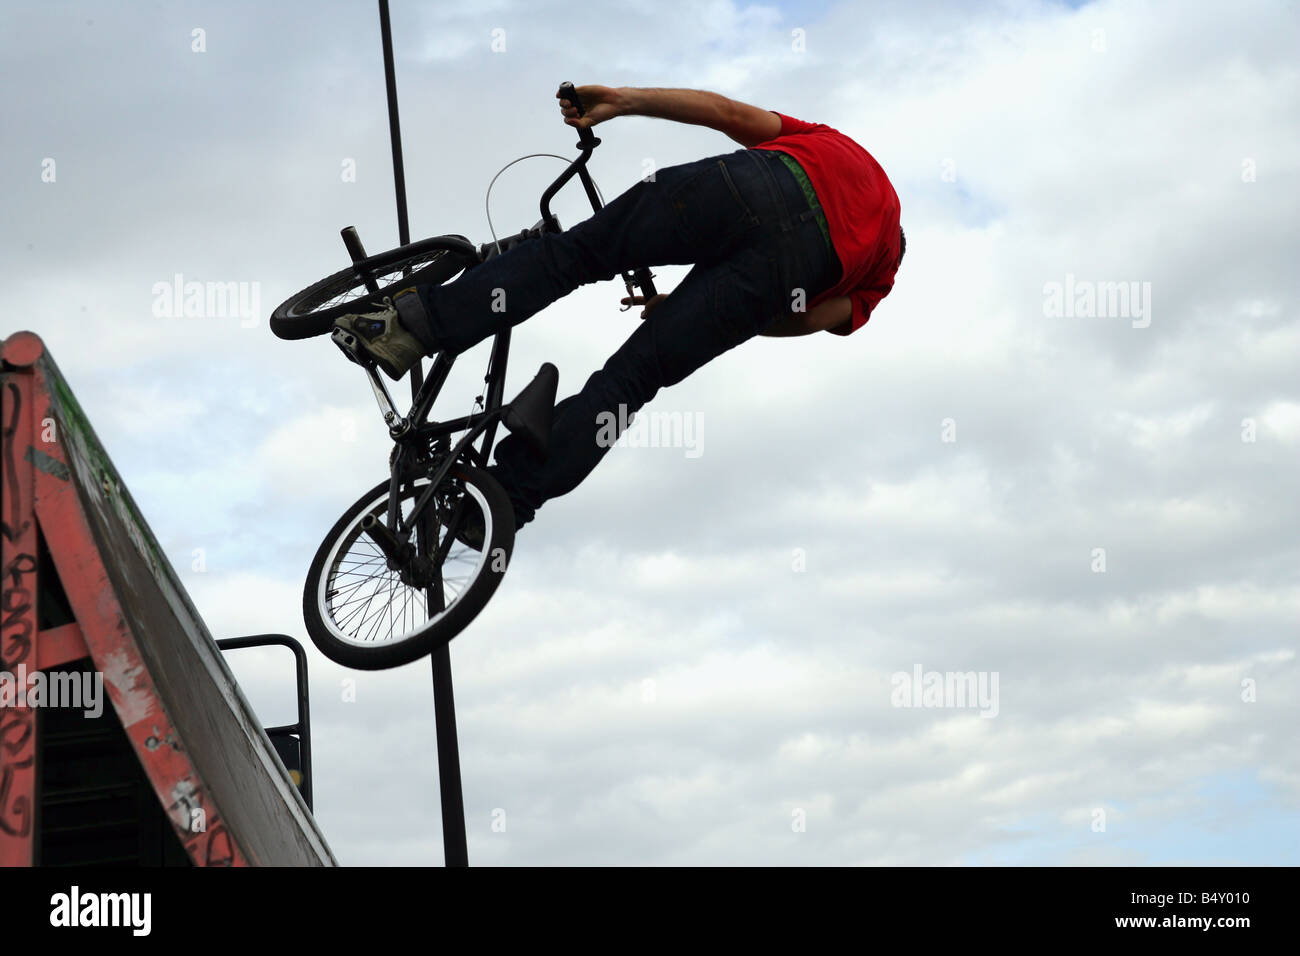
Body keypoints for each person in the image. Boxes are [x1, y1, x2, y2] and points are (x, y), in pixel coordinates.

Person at [335, 85, 904, 536]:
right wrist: (694, 311)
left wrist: (623, 102)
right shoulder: (881, 271)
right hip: (791, 271)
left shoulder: (840, 147)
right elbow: (808, 317)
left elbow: (723, 112)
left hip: (756, 181)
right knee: (633, 380)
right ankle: (500, 502)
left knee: (578, 253)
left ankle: (408, 327)